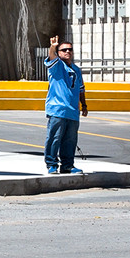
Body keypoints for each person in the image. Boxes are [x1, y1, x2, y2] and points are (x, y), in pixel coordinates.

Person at [44, 36, 87, 175]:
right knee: (54, 138)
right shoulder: (57, 65)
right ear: (59, 53)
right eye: (64, 50)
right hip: (57, 109)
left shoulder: (76, 70)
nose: (68, 51)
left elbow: (81, 89)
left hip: (73, 111)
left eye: (70, 49)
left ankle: (67, 165)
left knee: (70, 140)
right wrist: (53, 47)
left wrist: (84, 105)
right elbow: (51, 56)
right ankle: (51, 164)